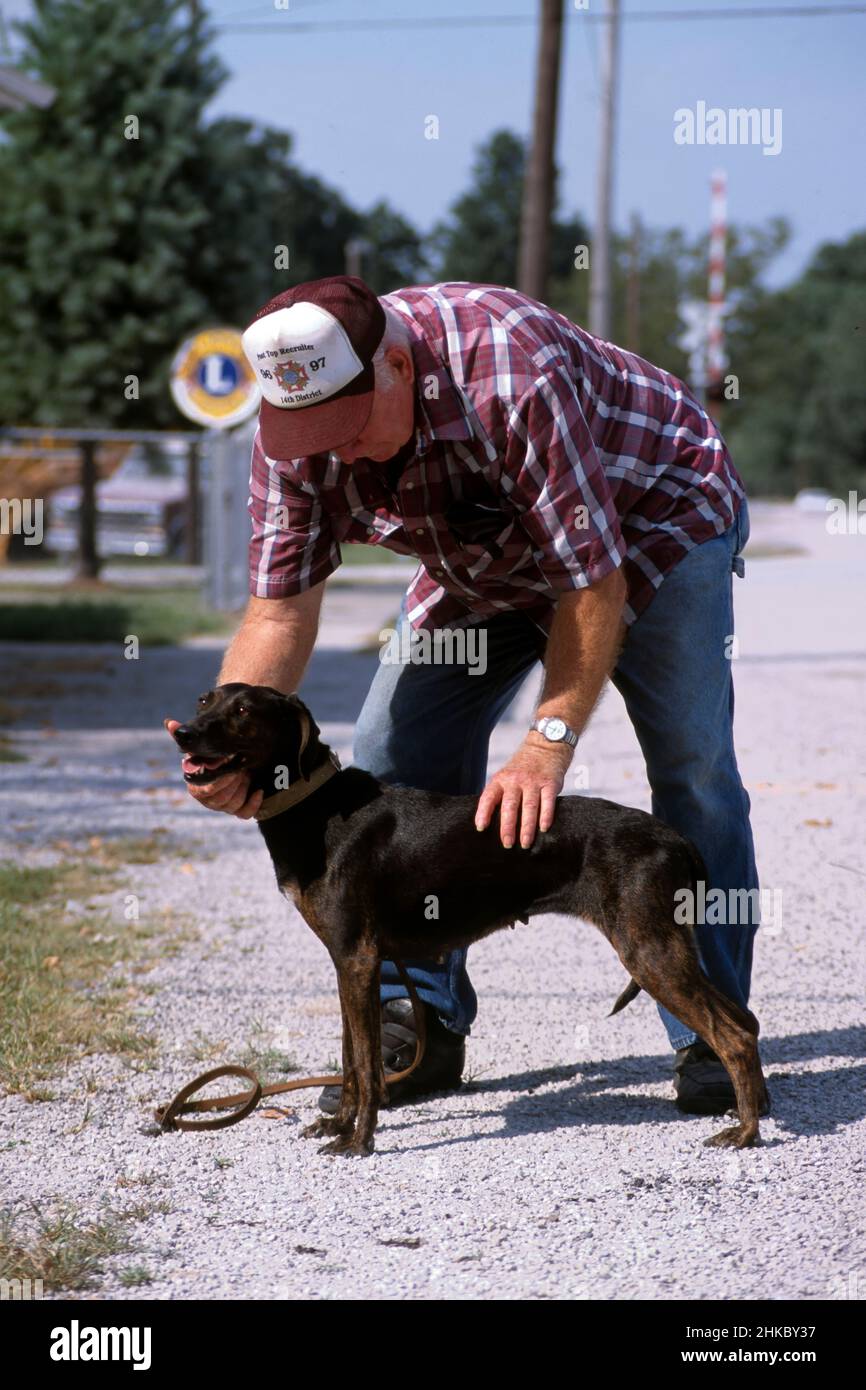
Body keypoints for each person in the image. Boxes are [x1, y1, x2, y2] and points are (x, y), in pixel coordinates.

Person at [167, 274, 759, 1119]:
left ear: (399, 368)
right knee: (384, 753)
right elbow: (278, 610)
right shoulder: (293, 434)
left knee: (693, 766)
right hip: (480, 563)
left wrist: (546, 742)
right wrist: (235, 752)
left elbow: (590, 585)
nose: (336, 449)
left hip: (654, 517)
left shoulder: (506, 374)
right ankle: (422, 1024)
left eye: (348, 422)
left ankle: (709, 1027)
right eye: (310, 431)